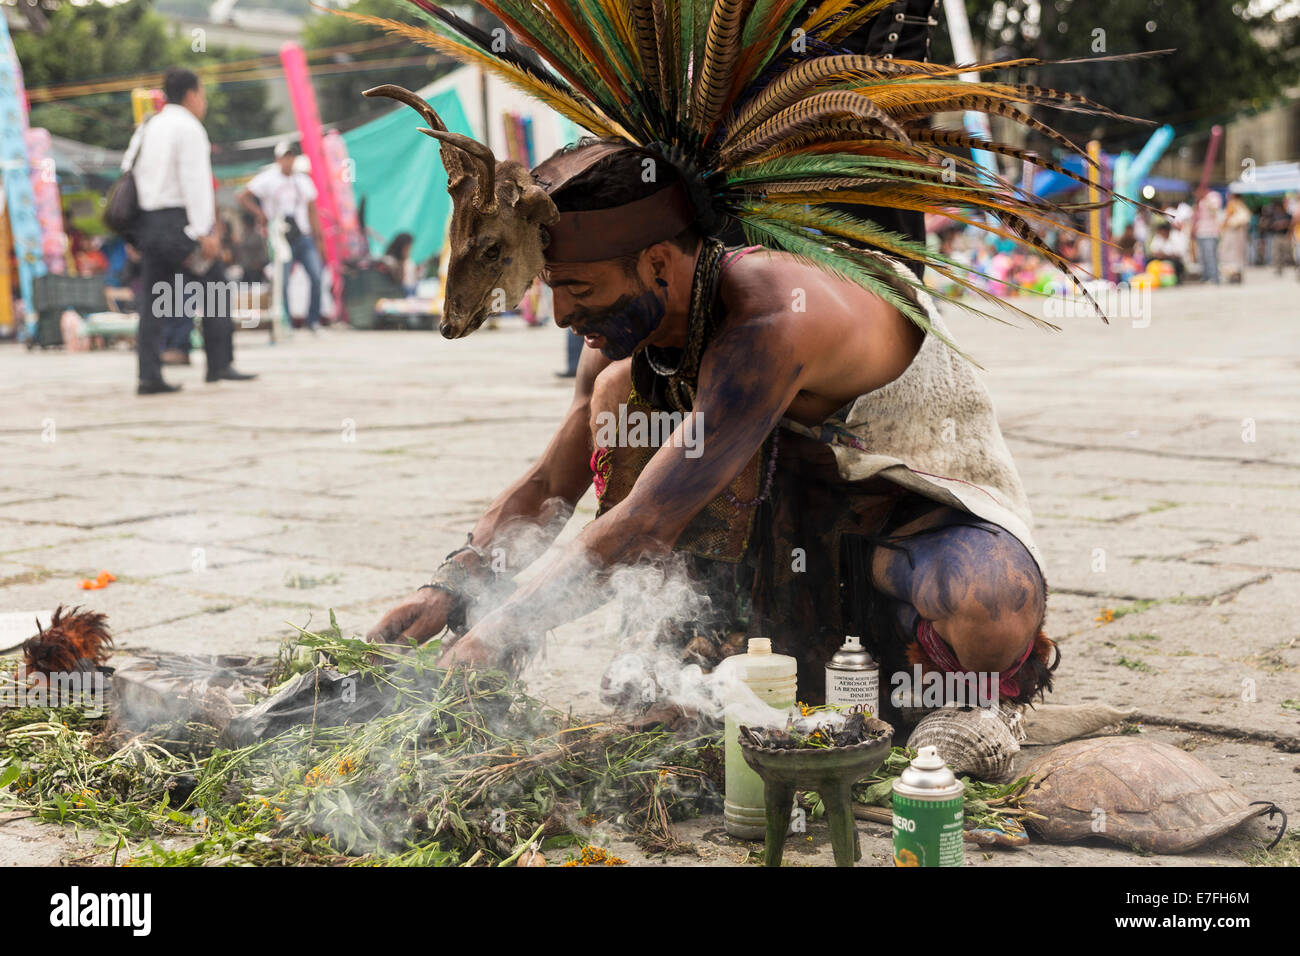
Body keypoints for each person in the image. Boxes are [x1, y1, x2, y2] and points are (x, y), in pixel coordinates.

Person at [361, 3, 1116, 748]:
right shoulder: (624, 332)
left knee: (989, 604)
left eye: (579, 291)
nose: (561, 316)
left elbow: (645, 520)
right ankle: (700, 643)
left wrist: (499, 633)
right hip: (783, 546)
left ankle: (965, 698)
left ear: (657, 260)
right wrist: (452, 585)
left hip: (902, 535)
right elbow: (549, 486)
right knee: (619, 393)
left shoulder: (772, 320)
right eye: (554, 289)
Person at [121, 67, 254, 392]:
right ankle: (219, 364)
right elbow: (195, 183)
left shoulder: (148, 126)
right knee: (215, 286)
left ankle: (148, 375)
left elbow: (128, 170)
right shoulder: (190, 127)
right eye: (203, 94)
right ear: (192, 94)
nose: (203, 101)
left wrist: (134, 231)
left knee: (152, 301)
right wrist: (203, 232)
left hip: (150, 225)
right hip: (180, 225)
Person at [238, 141, 325, 332]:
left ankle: (313, 321)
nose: (288, 161)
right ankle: (286, 322)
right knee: (282, 281)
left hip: (302, 234)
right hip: (280, 236)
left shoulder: (303, 181)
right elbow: (242, 196)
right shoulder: (268, 179)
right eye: (285, 157)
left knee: (316, 276)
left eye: (291, 156)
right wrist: (260, 213)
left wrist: (319, 238)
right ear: (278, 159)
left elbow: (312, 211)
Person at [1192, 187, 1223, 284]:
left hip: (1210, 232)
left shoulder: (1213, 197)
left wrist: (1206, 200)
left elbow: (1215, 209)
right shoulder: (1200, 201)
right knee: (1202, 256)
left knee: (1211, 256)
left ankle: (1214, 277)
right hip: (1200, 232)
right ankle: (1205, 276)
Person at [1219, 195, 1250, 283]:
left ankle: (1233, 276)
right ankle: (1237, 275)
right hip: (1240, 235)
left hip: (1232, 233)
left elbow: (1227, 217)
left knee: (1229, 255)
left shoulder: (1232, 204)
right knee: (1238, 255)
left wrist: (1222, 227)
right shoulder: (1242, 206)